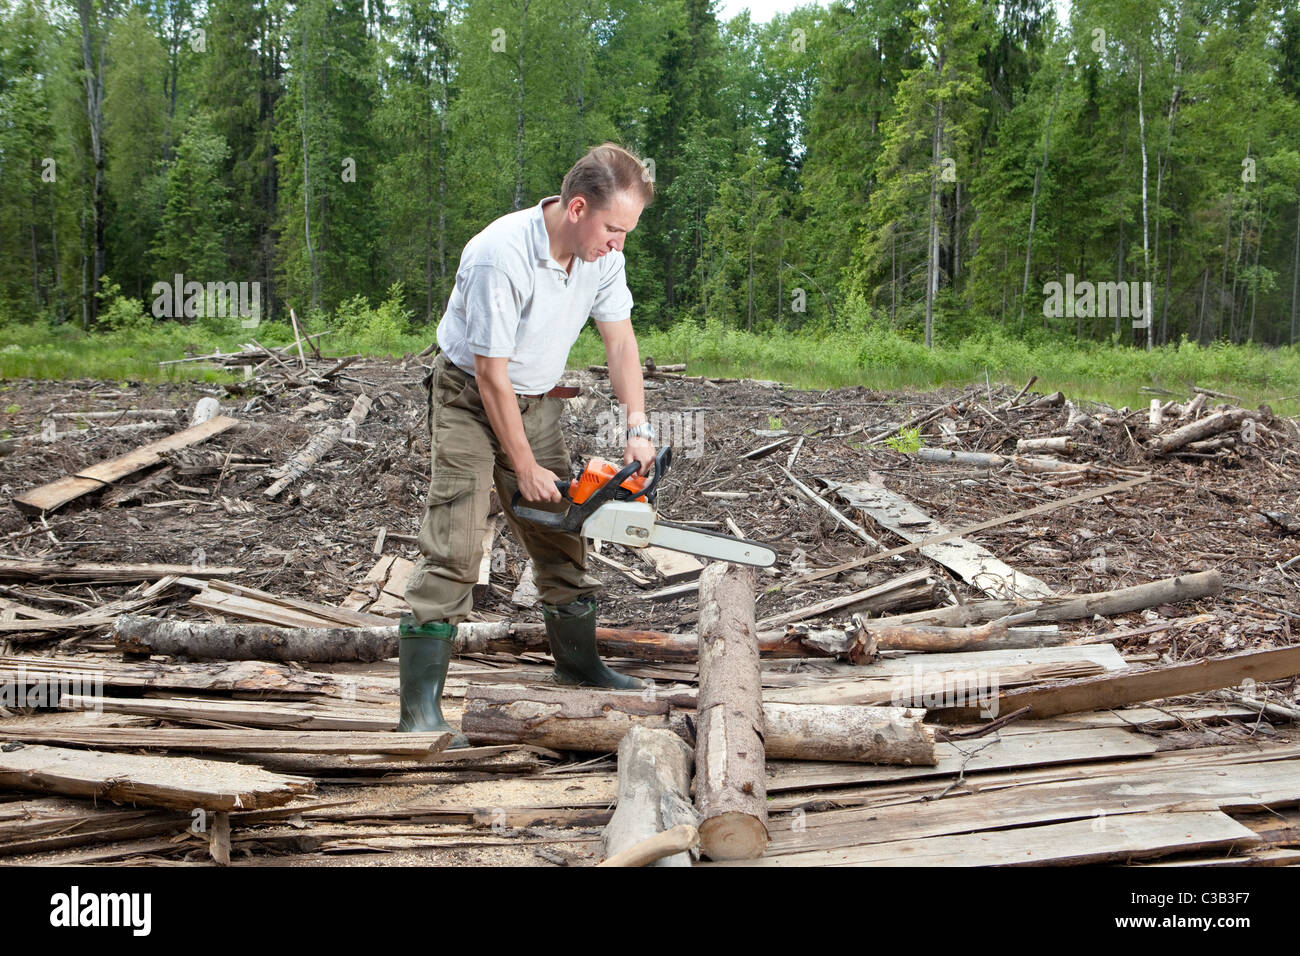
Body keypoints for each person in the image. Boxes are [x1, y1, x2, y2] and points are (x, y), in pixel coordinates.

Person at [399, 143, 657, 744]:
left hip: (538, 399)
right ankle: (418, 710)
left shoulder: (603, 258)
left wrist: (637, 425)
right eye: (614, 228)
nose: (619, 243)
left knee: (563, 525)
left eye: (627, 231)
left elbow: (620, 344)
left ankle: (577, 664)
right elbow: (490, 374)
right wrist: (522, 466)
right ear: (576, 209)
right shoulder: (499, 255)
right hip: (468, 394)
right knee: (457, 539)